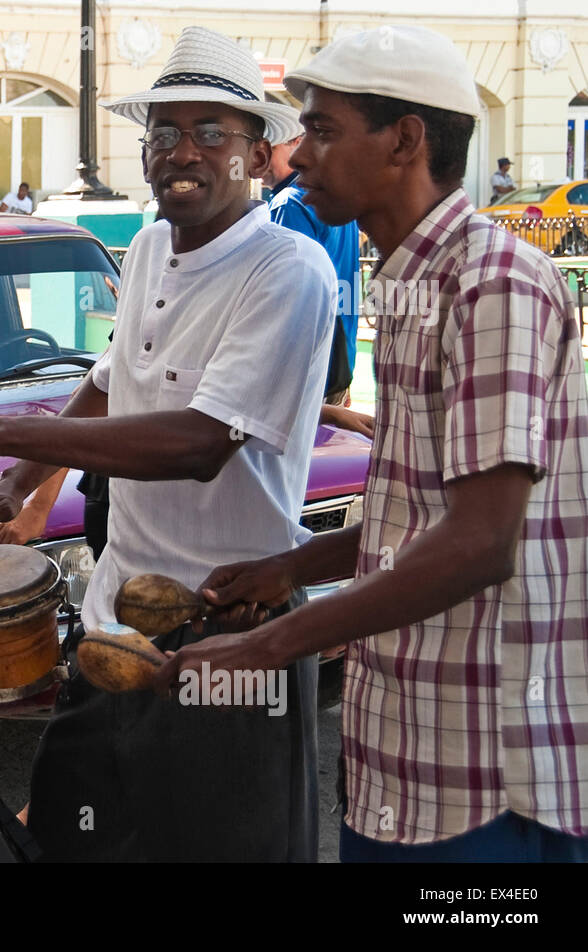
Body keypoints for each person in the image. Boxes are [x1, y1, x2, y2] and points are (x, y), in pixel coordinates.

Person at [0, 26, 334, 861]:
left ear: (260, 150)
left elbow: (199, 443)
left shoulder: (288, 270)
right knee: (73, 838)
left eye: (211, 132)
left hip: (231, 636)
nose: (182, 152)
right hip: (113, 630)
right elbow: (106, 380)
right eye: (163, 133)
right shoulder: (151, 248)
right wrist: (21, 481)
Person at [155, 25, 588, 862]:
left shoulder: (489, 282)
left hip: (485, 775)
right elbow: (424, 512)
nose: (298, 153)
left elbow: (478, 545)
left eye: (321, 130)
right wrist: (294, 567)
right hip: (405, 751)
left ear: (405, 140)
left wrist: (268, 644)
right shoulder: (413, 280)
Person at [264, 135, 373, 438]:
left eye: (269, 148)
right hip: (339, 364)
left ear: (294, 143)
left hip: (308, 370)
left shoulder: (290, 204)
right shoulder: (333, 202)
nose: (259, 157)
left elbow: (289, 299)